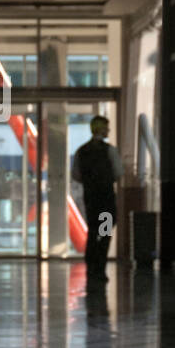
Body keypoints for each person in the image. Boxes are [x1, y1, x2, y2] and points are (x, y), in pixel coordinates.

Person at [71, 116, 123, 279]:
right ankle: (100, 268)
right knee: (105, 234)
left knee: (93, 232)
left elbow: (76, 175)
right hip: (106, 199)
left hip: (91, 200)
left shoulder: (81, 151)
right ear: (101, 129)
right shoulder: (110, 150)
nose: (108, 130)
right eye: (107, 127)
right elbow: (118, 173)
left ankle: (91, 266)